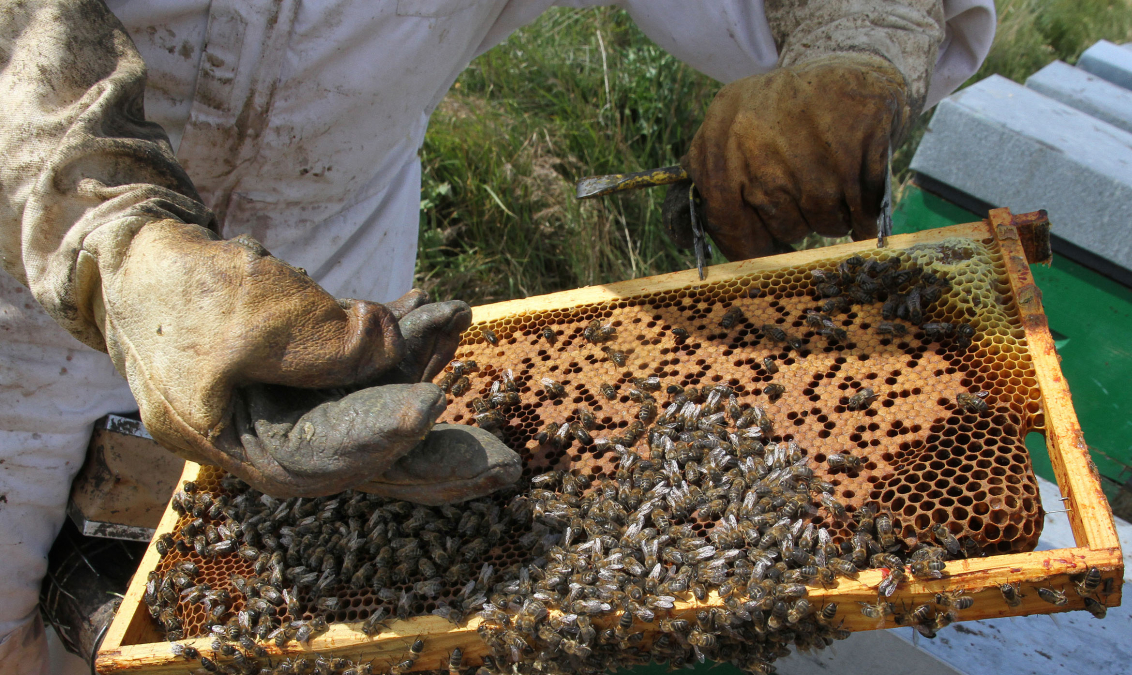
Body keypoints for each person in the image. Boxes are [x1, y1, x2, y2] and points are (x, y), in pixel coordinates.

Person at [0, 0, 995, 670]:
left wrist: (855, 36)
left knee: (336, 628)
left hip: (327, 337)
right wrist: (111, 242)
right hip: (19, 317)